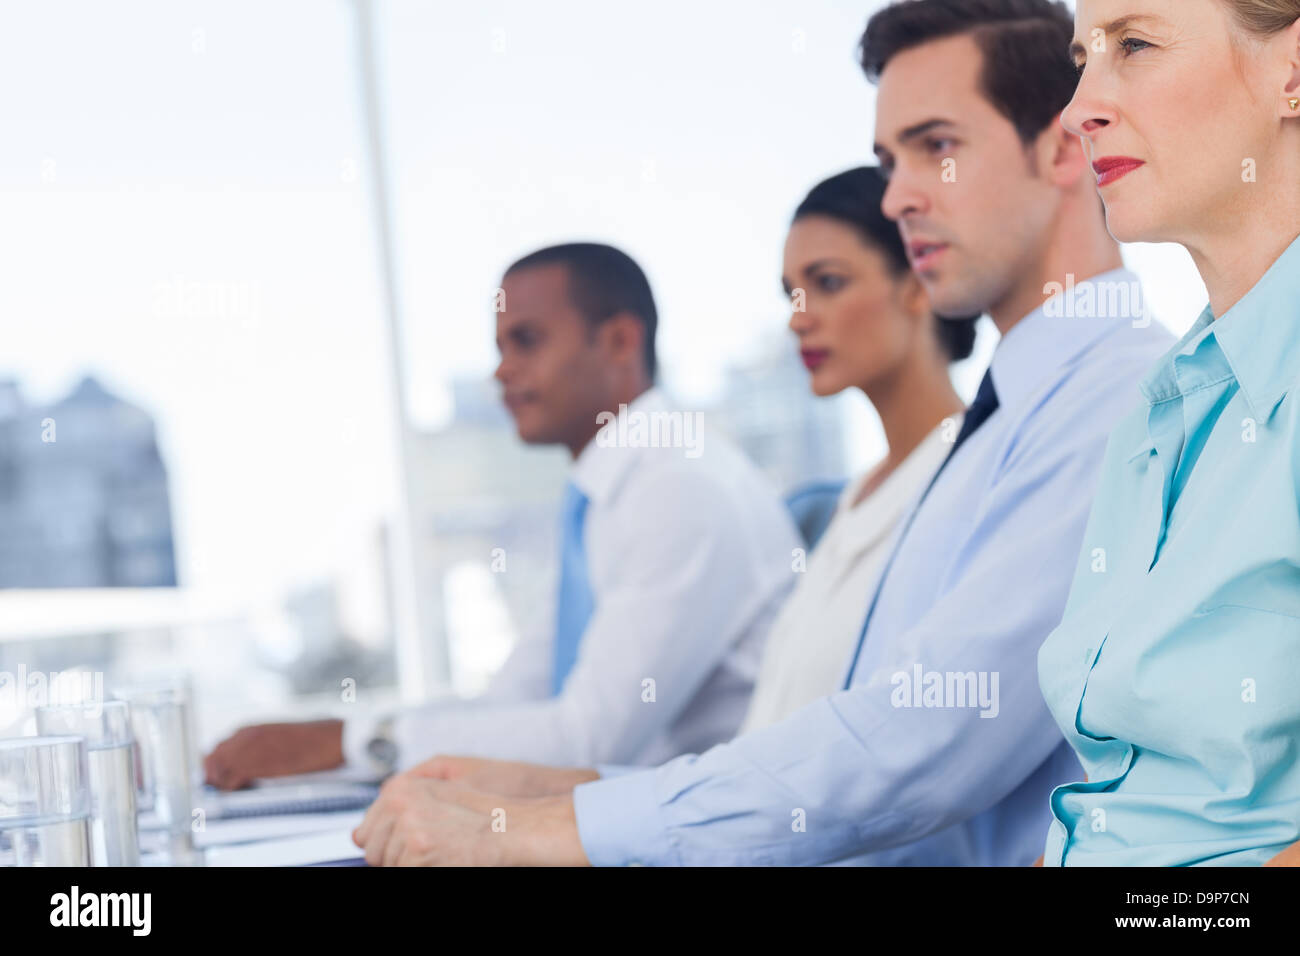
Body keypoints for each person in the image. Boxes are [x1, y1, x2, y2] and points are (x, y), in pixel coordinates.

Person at [350, 0, 1177, 867]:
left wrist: (555, 827)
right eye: (889, 161)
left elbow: (916, 750)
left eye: (938, 146)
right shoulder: (1001, 424)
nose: (897, 196)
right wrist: (561, 790)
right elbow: (821, 739)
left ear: (1063, 147)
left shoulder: (1113, 405)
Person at [203, 242, 801, 789]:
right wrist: (351, 735)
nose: (501, 371)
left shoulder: (677, 487)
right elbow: (514, 701)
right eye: (499, 346)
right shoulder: (605, 495)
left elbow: (586, 740)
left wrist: (350, 743)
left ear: (620, 341)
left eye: (527, 340)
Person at [1036, 0, 1300, 866]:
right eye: (1083, 57)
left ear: (1292, 74)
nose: (1079, 107)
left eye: (1135, 45)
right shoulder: (1163, 411)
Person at [744, 165, 977, 732]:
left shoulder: (975, 477)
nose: (798, 319)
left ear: (919, 281)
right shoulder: (850, 500)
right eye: (791, 294)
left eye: (827, 283)